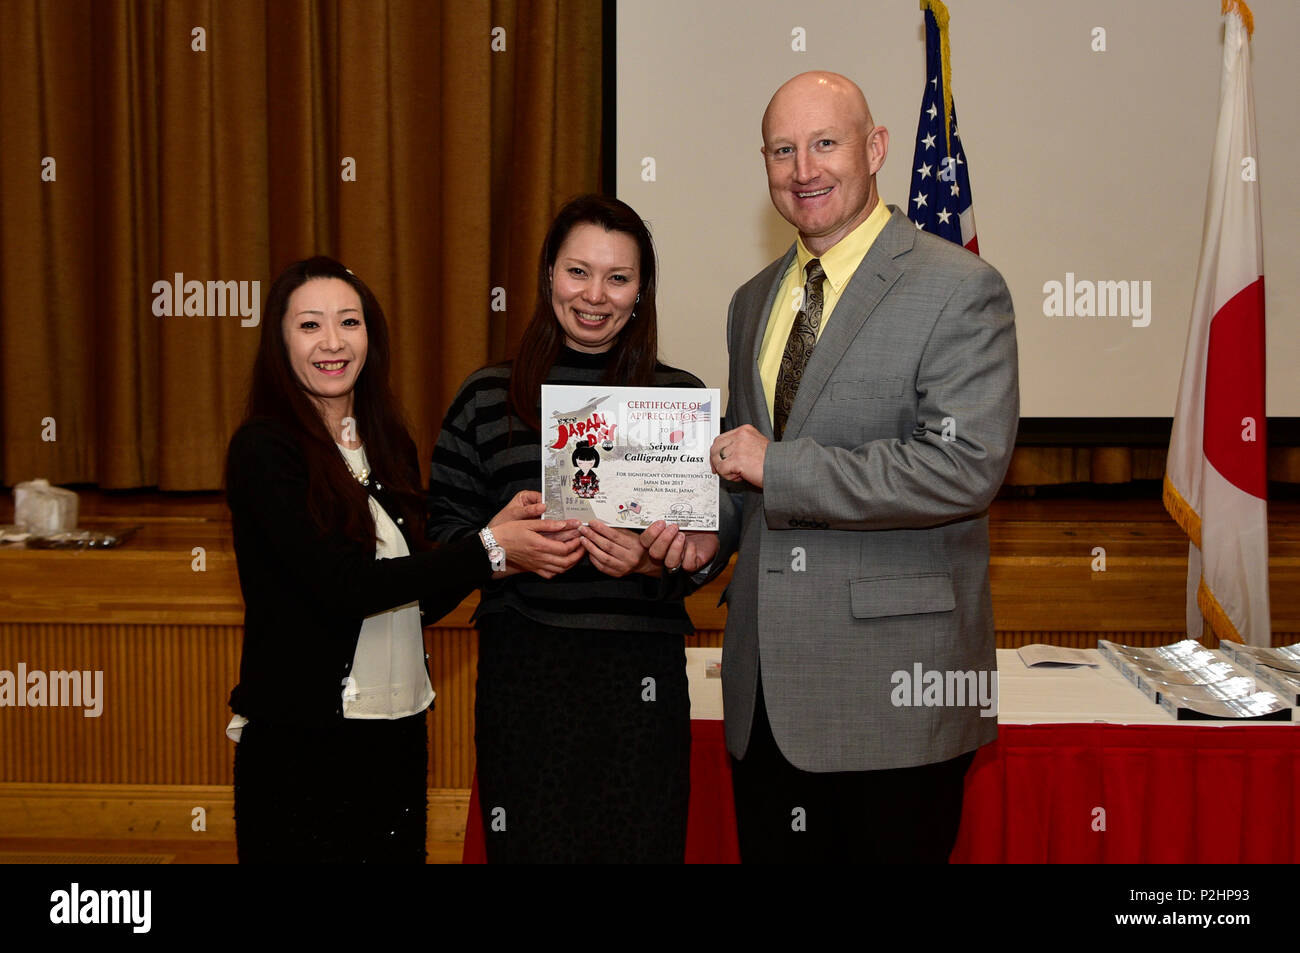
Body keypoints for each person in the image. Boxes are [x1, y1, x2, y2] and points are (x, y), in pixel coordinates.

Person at [702, 71, 1018, 862]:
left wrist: (780, 468)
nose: (802, 168)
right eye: (783, 149)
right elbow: (749, 476)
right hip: (765, 701)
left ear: (875, 149)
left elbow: (963, 465)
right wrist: (699, 538)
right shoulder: (752, 301)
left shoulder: (960, 288)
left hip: (893, 699)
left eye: (825, 143)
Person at [224, 255, 578, 863]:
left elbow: (419, 600)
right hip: (304, 743)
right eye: (310, 326)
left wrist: (492, 541)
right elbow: (344, 587)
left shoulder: (387, 442)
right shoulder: (265, 449)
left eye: (349, 323)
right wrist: (487, 549)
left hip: (396, 734)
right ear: (280, 342)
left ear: (372, 336)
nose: (332, 343)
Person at [426, 194, 718, 863]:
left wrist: (655, 560)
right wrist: (499, 544)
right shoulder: (484, 397)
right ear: (547, 275)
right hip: (525, 676)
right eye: (578, 271)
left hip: (640, 682)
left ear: (642, 292)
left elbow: (707, 554)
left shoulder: (678, 402)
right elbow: (441, 542)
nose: (596, 295)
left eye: (619, 278)